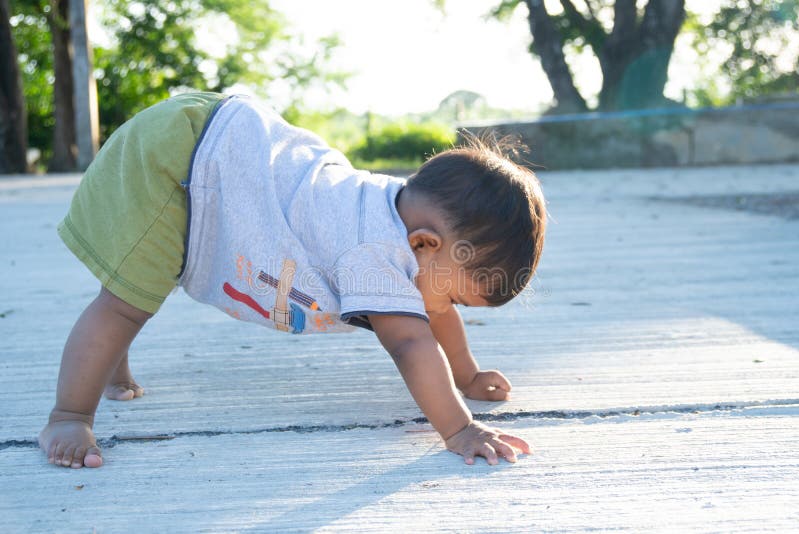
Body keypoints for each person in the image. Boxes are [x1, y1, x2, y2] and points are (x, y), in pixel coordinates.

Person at [38, 92, 547, 469]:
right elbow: (414, 343)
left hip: (216, 138)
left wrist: (466, 375)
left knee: (138, 285)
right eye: (457, 292)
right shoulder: (376, 251)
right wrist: (459, 429)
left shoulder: (404, 213)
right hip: (186, 160)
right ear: (424, 243)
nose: (447, 306)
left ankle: (111, 366)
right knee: (127, 299)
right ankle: (69, 414)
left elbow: (434, 315)